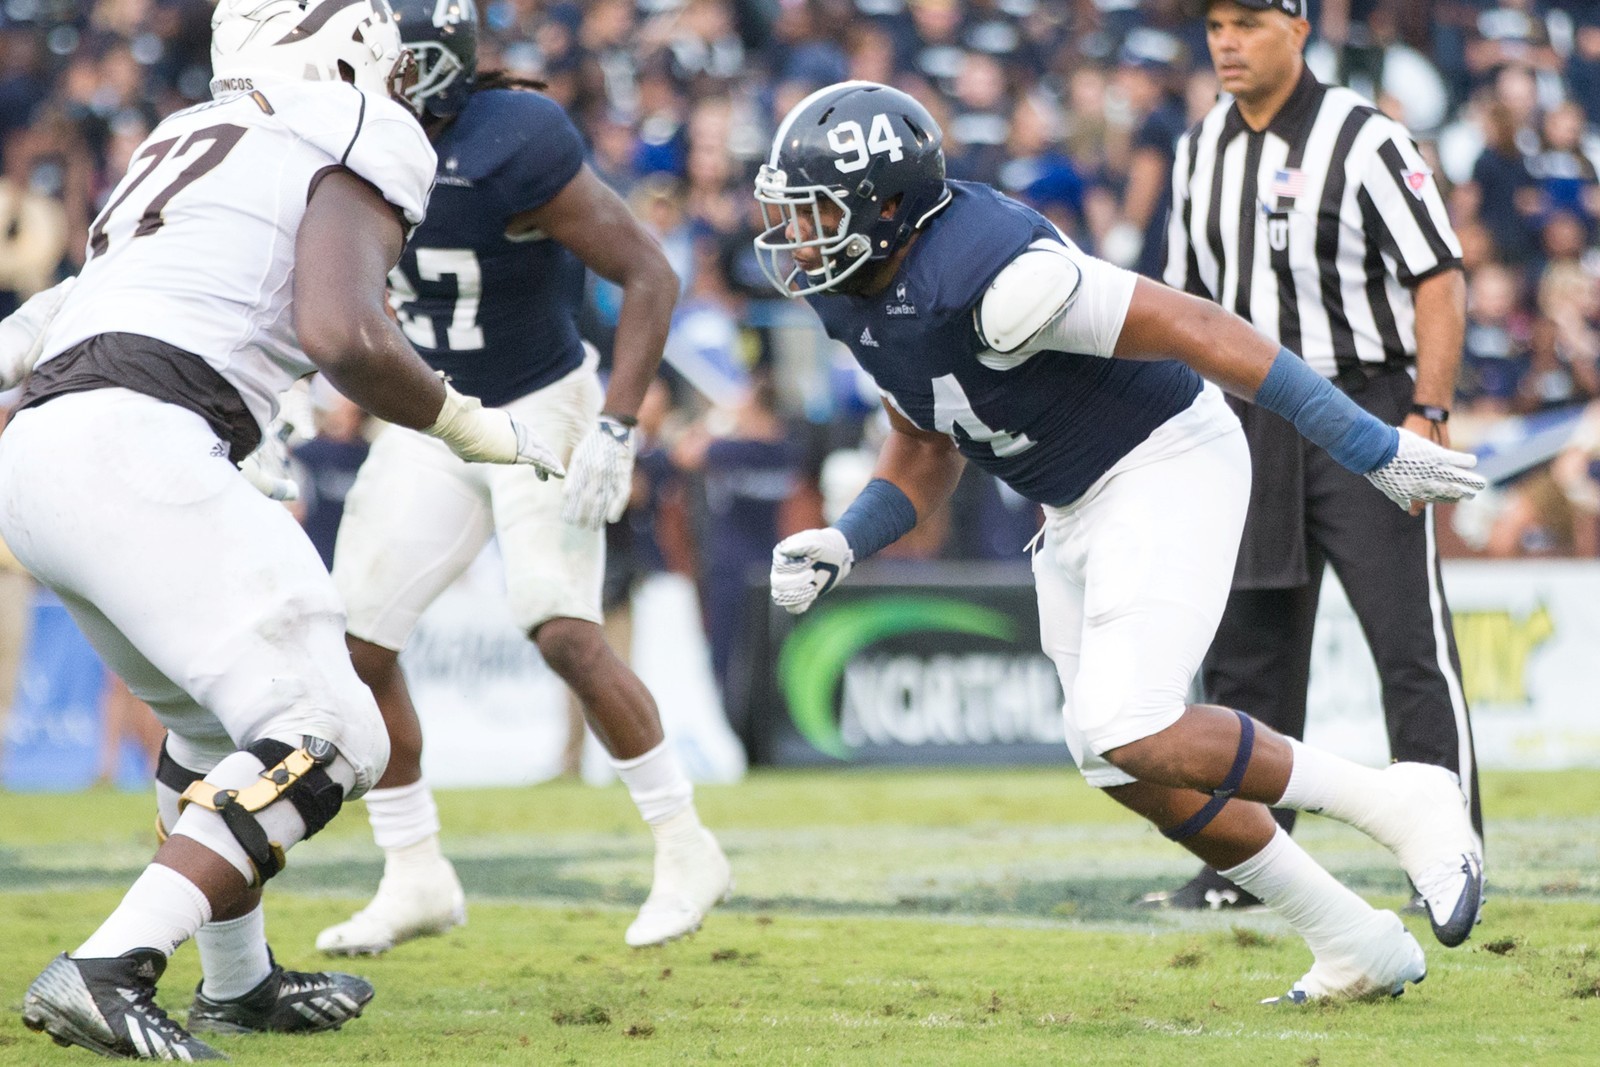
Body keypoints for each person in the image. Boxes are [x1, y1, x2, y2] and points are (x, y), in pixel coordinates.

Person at [754, 80, 1486, 1003]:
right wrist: (848, 539)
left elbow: (1202, 328)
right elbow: (924, 438)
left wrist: (1371, 442)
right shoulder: (858, 291)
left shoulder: (1000, 274)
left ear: (888, 206)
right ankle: (1351, 940)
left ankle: (1404, 799)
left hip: (1164, 460)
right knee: (1114, 759)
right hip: (1071, 504)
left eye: (817, 210)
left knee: (1127, 720)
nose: (797, 234)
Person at [1, 0, 561, 1058]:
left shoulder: (183, 135)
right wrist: (461, 418)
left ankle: (239, 980)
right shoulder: (356, 124)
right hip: (144, 437)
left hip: (47, 444)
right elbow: (339, 331)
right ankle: (111, 963)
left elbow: (65, 309)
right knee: (336, 726)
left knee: (216, 733)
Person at [314, 0, 730, 958]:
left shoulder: (513, 142)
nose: (355, 73)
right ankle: (414, 869)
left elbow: (651, 275)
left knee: (562, 628)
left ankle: (685, 843)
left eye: (377, 57)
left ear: (426, 68)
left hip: (541, 406)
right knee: (356, 648)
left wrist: (618, 425)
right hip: (430, 412)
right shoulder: (345, 137)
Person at [1145, 0, 1483, 913]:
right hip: (1244, 420)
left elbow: (1439, 276)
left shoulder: (1366, 138)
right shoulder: (1197, 149)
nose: (1225, 41)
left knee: (1408, 644)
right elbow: (1182, 307)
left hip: (1360, 410)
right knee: (1247, 653)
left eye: (1247, 22)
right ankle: (1249, 868)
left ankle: (1448, 848)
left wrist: (1429, 408)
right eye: (1214, 23)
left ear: (1299, 28)